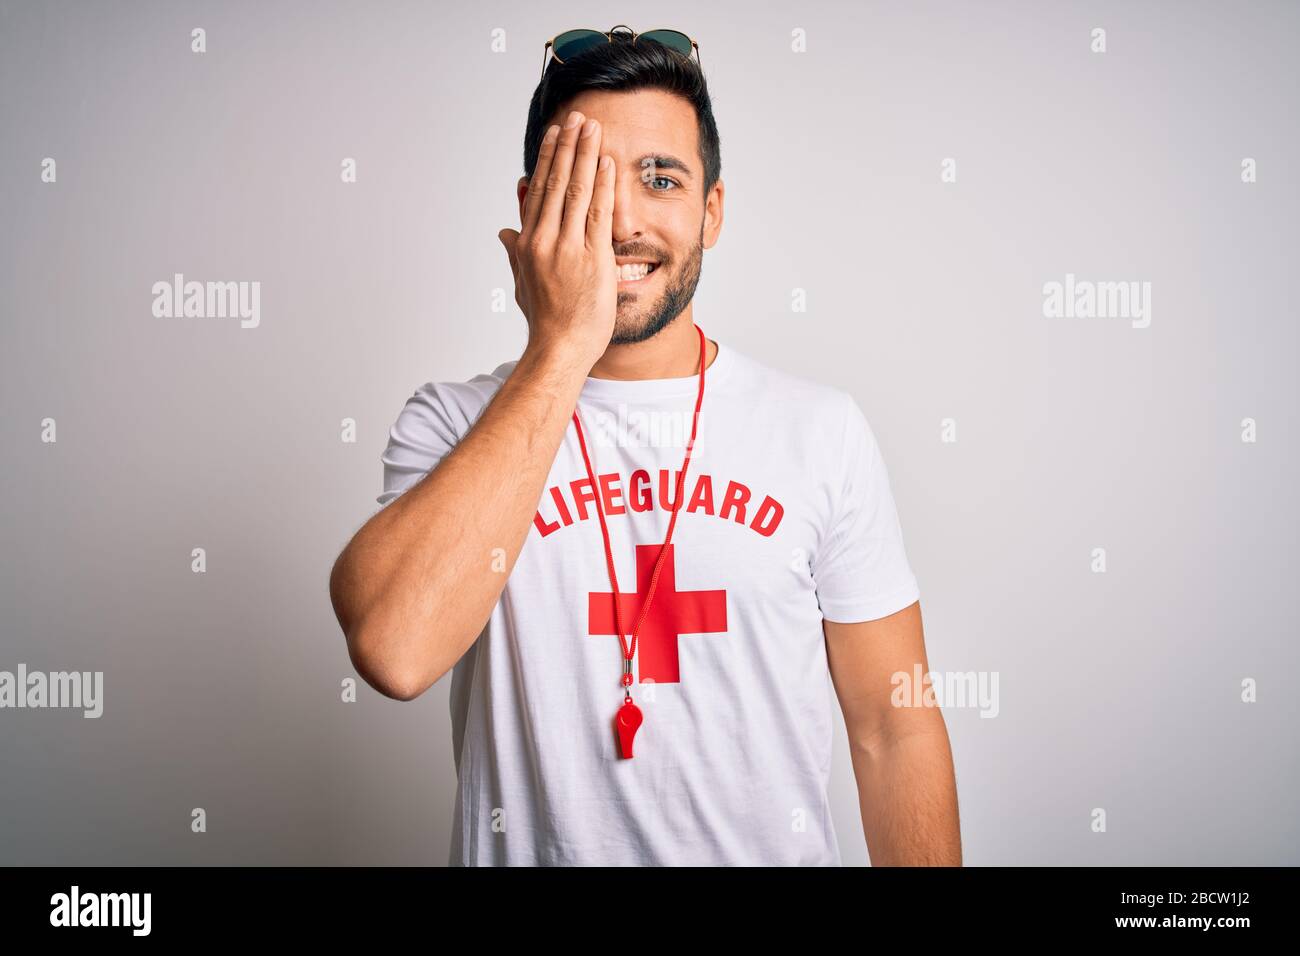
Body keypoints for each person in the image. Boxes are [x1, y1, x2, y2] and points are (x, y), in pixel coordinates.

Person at [329, 26, 961, 866]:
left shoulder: (820, 431)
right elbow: (395, 651)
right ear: (529, 210)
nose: (621, 220)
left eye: (660, 178)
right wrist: (561, 346)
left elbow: (894, 726)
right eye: (583, 182)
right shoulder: (451, 423)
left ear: (713, 211)